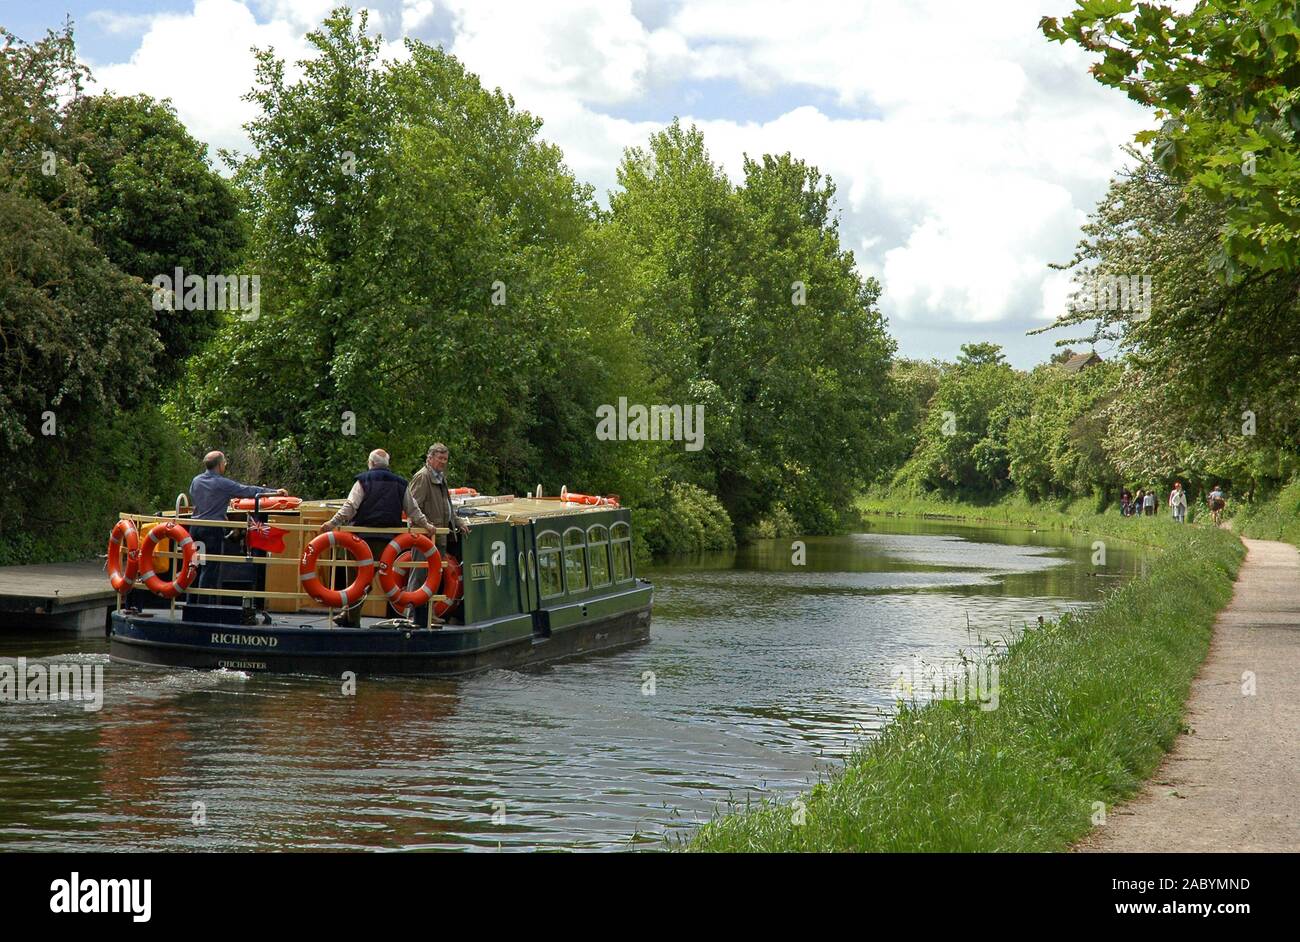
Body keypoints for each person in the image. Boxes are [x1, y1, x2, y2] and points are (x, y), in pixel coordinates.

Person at [319, 449, 436, 627]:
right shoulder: (400, 484)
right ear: (387, 464)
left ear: (370, 463)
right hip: (387, 541)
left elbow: (350, 507)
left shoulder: (363, 481)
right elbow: (413, 509)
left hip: (359, 539)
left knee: (356, 580)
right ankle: (348, 615)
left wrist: (332, 523)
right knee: (366, 579)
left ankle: (352, 620)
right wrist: (427, 526)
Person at [188, 451, 287, 605]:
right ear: (220, 465)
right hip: (211, 530)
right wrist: (275, 492)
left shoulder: (196, 481)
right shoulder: (222, 483)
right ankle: (203, 606)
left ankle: (191, 604)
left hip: (195, 529)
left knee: (195, 565)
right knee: (209, 568)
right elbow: (247, 490)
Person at [406, 443, 471, 624]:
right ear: (430, 458)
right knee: (419, 573)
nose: (443, 462)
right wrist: (425, 525)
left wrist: (457, 522)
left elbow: (447, 506)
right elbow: (413, 507)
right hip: (425, 536)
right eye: (440, 458)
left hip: (440, 535)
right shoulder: (422, 478)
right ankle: (412, 613)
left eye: (445, 459)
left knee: (434, 575)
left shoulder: (441, 478)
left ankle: (429, 613)